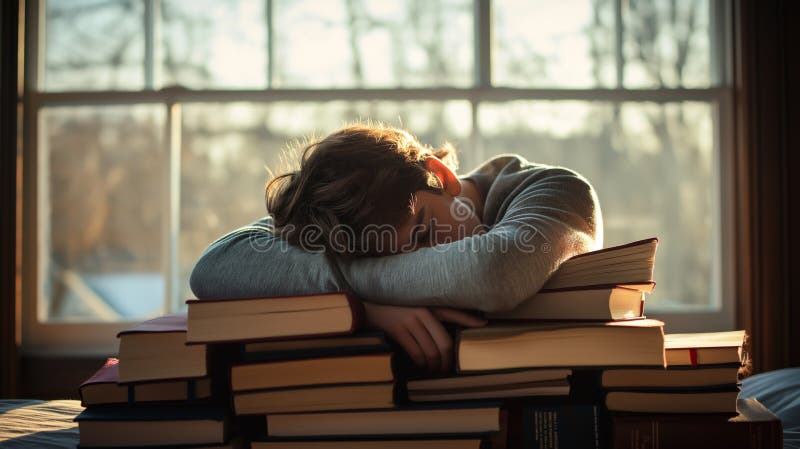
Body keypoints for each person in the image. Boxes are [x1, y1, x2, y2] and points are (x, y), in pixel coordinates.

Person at [190, 123, 603, 372]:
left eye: (423, 233)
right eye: (396, 259)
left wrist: (356, 292)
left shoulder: (556, 189)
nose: (424, 263)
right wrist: (367, 311)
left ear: (440, 175)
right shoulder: (346, 226)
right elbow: (214, 267)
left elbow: (494, 272)